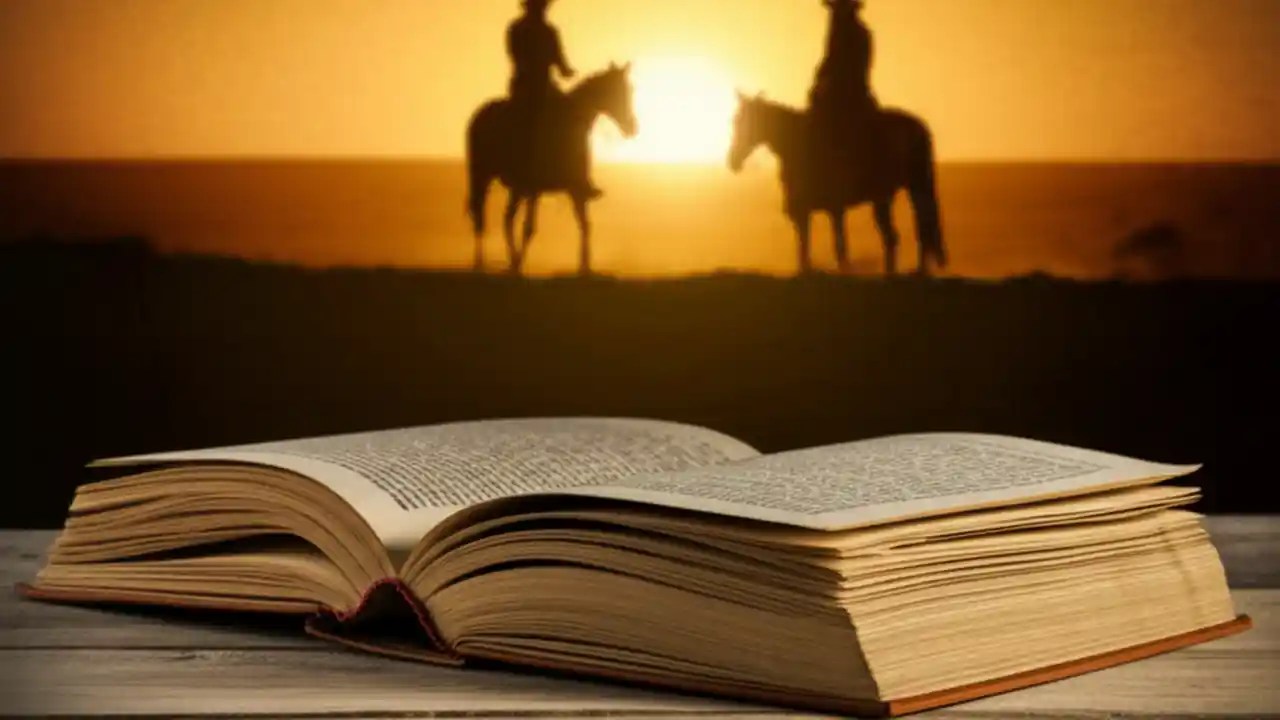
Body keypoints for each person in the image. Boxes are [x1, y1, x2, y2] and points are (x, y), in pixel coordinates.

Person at [506, 0, 602, 199]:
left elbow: (558, 60)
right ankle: (531, 168)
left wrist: (566, 70)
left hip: (540, 86)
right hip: (529, 87)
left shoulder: (539, 30)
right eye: (541, 5)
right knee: (548, 124)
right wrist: (561, 69)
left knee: (575, 122)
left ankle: (579, 176)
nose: (544, 9)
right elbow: (519, 57)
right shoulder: (527, 30)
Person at [807, 0, 881, 184]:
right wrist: (820, 79)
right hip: (836, 89)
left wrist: (832, 81)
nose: (833, 12)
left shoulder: (859, 33)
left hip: (853, 90)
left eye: (836, 8)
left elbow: (855, 66)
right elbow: (828, 60)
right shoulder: (837, 33)